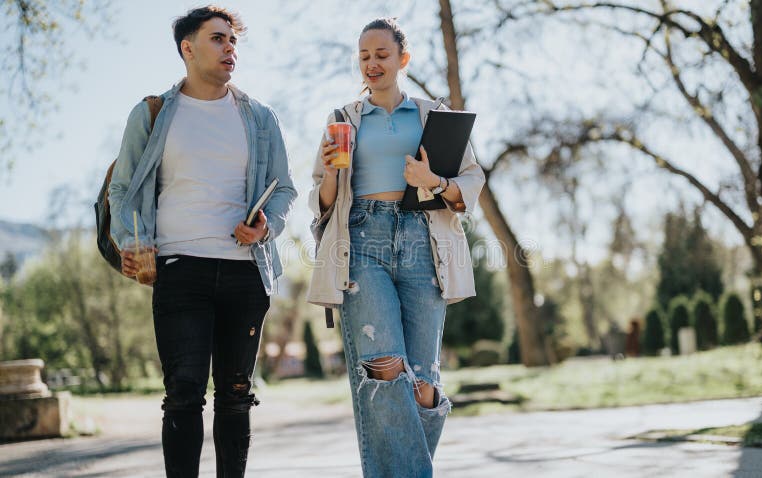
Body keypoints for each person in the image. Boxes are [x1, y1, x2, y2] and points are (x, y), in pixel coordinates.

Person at [108, 6, 296, 477]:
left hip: (245, 271)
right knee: (184, 392)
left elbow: (285, 190)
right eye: (218, 38)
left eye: (233, 41)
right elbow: (122, 189)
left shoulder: (260, 117)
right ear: (187, 48)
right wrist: (132, 241)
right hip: (179, 269)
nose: (230, 48)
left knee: (236, 395)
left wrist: (266, 226)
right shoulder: (152, 113)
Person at [307, 17, 485, 478]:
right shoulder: (343, 119)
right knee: (384, 369)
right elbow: (321, 203)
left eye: (382, 54)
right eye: (364, 56)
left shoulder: (434, 115)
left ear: (403, 59)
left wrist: (433, 180)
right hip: (361, 241)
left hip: (423, 240)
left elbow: (471, 181)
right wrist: (331, 173)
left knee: (423, 383)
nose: (372, 63)